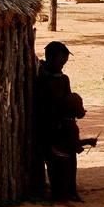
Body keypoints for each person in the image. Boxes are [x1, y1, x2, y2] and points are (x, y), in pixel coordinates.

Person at [31, 41, 73, 198]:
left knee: (69, 157)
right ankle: (57, 191)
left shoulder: (64, 79)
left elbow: (67, 98)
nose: (62, 66)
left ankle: (70, 189)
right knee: (53, 159)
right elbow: (44, 103)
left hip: (62, 124)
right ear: (50, 59)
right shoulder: (41, 78)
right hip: (47, 125)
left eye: (64, 63)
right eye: (60, 62)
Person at [47, 92, 96, 204]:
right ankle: (62, 197)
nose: (82, 109)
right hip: (62, 153)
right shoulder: (68, 124)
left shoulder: (65, 120)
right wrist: (89, 141)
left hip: (66, 151)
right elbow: (73, 143)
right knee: (64, 175)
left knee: (71, 173)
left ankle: (71, 193)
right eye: (80, 107)